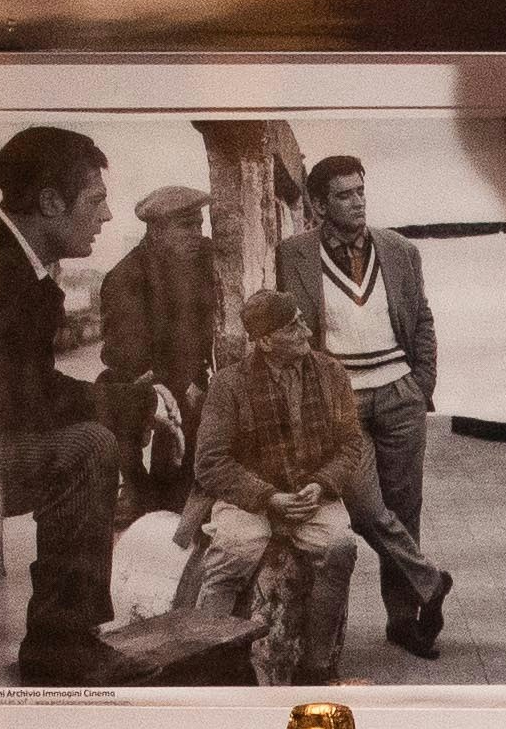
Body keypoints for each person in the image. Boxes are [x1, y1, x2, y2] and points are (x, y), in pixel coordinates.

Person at [280, 153, 453, 659]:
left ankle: (404, 621)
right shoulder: (292, 253)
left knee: (404, 508)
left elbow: (422, 319)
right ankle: (429, 580)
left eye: (360, 191)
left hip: (399, 394)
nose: (356, 203)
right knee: (364, 507)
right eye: (343, 195)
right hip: (339, 402)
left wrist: (420, 385)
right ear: (317, 203)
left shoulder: (399, 250)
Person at [0, 125, 123, 685]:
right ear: (49, 203)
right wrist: (122, 407)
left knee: (93, 437)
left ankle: (68, 636)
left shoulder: (14, 264)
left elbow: (26, 386)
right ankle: (61, 646)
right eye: (95, 201)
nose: (107, 217)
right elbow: (22, 401)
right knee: (90, 449)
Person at [191, 289, 373, 684]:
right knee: (231, 555)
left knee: (340, 547)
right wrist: (268, 498)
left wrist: (322, 485)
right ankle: (206, 663)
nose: (305, 330)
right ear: (266, 340)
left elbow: (350, 444)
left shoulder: (331, 374)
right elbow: (210, 462)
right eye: (293, 326)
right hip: (250, 499)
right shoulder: (229, 385)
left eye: (302, 321)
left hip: (311, 496)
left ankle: (317, 666)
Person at [95, 181, 218, 515]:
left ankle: (179, 496)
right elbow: (126, 355)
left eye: (199, 224)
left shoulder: (200, 260)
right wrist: (180, 386)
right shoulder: (125, 277)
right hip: (143, 379)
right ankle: (136, 490)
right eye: (186, 226)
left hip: (191, 375)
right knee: (135, 402)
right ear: (157, 230)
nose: (197, 233)